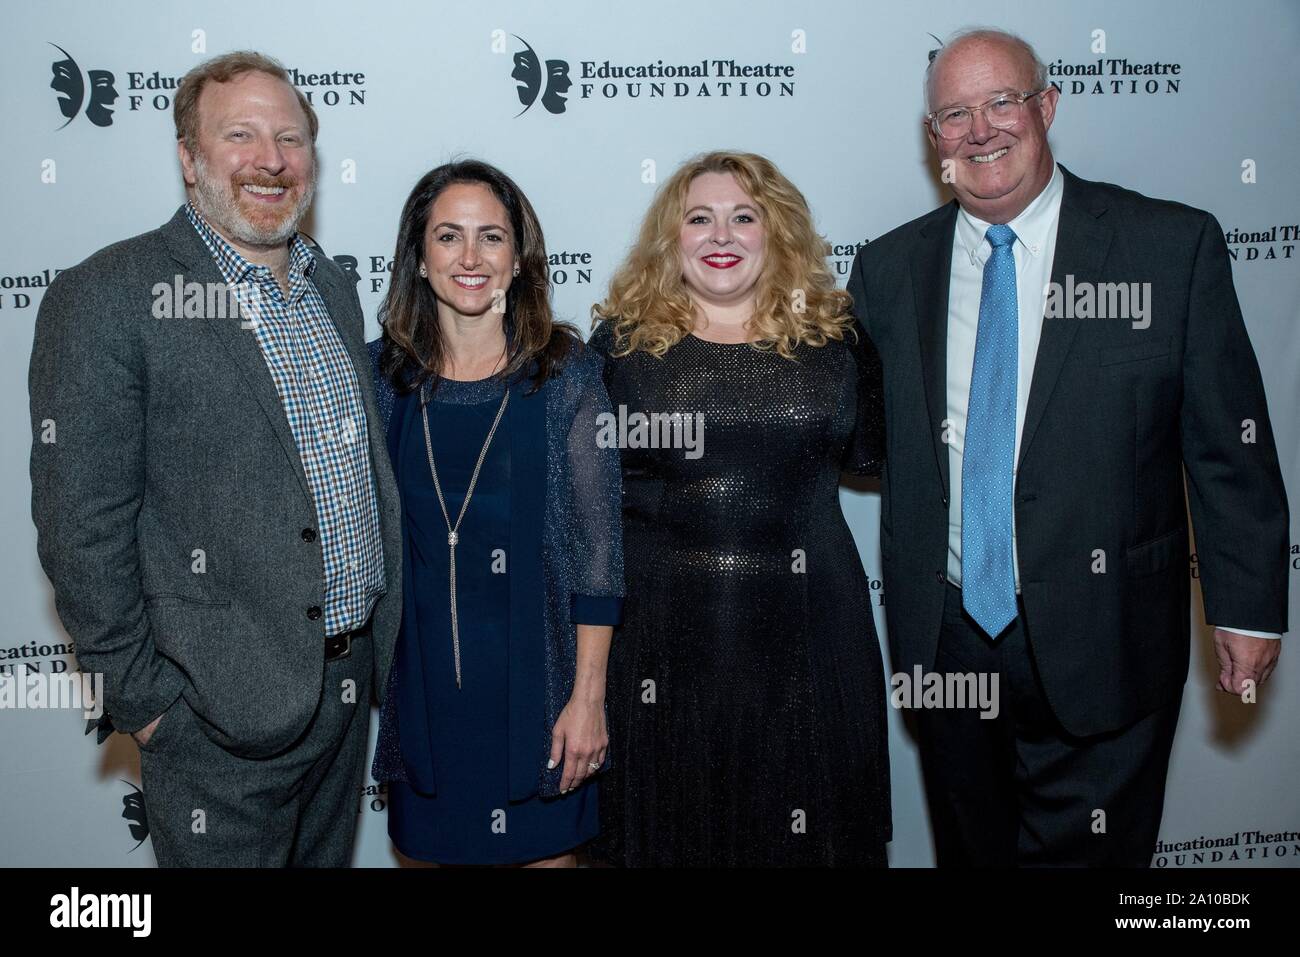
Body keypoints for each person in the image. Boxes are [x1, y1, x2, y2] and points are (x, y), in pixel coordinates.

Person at [847, 28, 1289, 867]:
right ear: (933, 138)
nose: (981, 131)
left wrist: (1245, 602)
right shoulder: (888, 270)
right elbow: (854, 434)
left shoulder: (1168, 248)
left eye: (1002, 102)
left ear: (1047, 105)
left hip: (1110, 633)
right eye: (954, 115)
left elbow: (1230, 446)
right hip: (948, 643)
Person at [29, 51, 401, 867]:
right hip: (214, 722)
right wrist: (149, 703)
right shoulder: (108, 296)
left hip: (343, 694)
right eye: (241, 135)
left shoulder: (330, 284)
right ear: (189, 158)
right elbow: (79, 529)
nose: (271, 160)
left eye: (291, 138)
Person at [589, 151, 889, 867]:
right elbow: (586, 512)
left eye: (743, 216)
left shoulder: (839, 340)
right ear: (673, 238)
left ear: (775, 231)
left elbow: (878, 457)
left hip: (814, 638)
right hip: (663, 646)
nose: (721, 234)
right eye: (700, 218)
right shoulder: (621, 349)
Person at [369, 160, 624, 867]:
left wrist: (588, 699)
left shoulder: (566, 378)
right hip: (425, 705)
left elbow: (599, 558)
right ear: (420, 258)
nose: (471, 257)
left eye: (492, 236)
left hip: (541, 699)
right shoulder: (381, 383)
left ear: (519, 258)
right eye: (449, 237)